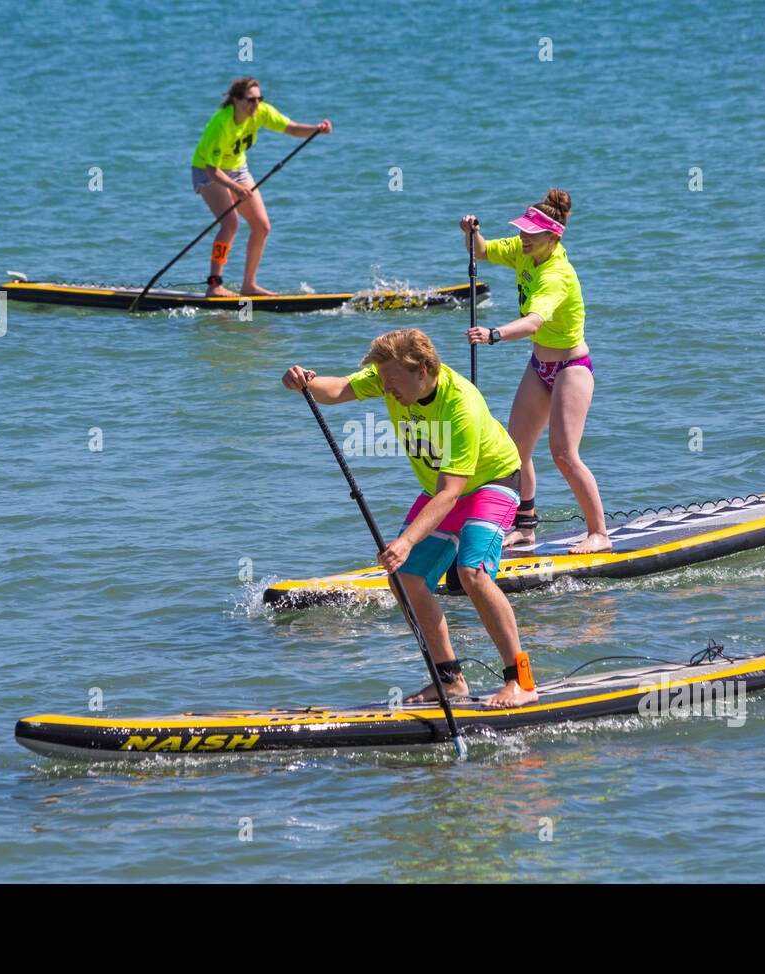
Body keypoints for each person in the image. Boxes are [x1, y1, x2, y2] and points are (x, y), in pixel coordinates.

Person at [281, 329, 539, 708]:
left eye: (392, 381)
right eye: (381, 381)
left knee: (473, 574)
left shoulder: (460, 404)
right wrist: (304, 382)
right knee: (405, 579)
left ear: (422, 370)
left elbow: (451, 492)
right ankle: (449, 681)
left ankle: (522, 681)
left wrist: (405, 541)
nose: (385, 389)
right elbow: (336, 391)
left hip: (492, 483)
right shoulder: (390, 378)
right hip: (443, 490)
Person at [462, 189, 612, 556]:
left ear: (553, 236)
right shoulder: (524, 249)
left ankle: (599, 533)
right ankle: (526, 528)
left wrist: (494, 334)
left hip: (571, 368)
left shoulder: (556, 274)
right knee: (515, 450)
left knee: (563, 453)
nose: (523, 237)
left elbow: (533, 322)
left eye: (531, 233)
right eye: (522, 231)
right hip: (539, 365)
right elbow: (481, 251)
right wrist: (471, 233)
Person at [191, 78, 331, 298]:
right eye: (250, 100)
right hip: (208, 170)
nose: (255, 104)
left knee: (262, 226)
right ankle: (214, 284)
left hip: (237, 169)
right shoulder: (220, 125)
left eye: (259, 99)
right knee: (230, 223)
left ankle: (249, 285)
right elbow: (212, 170)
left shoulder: (262, 112)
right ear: (236, 101)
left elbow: (292, 129)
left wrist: (317, 130)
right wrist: (235, 188)